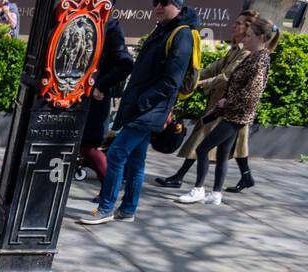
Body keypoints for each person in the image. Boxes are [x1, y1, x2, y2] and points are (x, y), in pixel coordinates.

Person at [77, 0, 198, 225]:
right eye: (156, 2)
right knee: (135, 160)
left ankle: (106, 207)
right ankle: (128, 209)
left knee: (115, 155)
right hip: (143, 108)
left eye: (165, 2)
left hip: (148, 110)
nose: (158, 6)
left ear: (178, 5)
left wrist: (143, 102)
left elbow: (172, 81)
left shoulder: (182, 34)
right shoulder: (165, 29)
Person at [154, 11, 279, 192]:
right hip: (225, 105)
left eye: (239, 24)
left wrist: (202, 86)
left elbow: (229, 79)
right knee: (224, 150)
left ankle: (190, 183)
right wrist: (193, 79)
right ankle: (231, 184)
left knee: (202, 143)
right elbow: (215, 68)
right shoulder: (238, 49)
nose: (234, 26)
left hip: (227, 108)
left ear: (250, 30)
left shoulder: (252, 55)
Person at [79, 17, 133, 182]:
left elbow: (125, 64)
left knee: (89, 147)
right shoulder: (80, 17)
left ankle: (109, 191)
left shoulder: (110, 25)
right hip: (74, 94)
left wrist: (101, 86)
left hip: (93, 98)